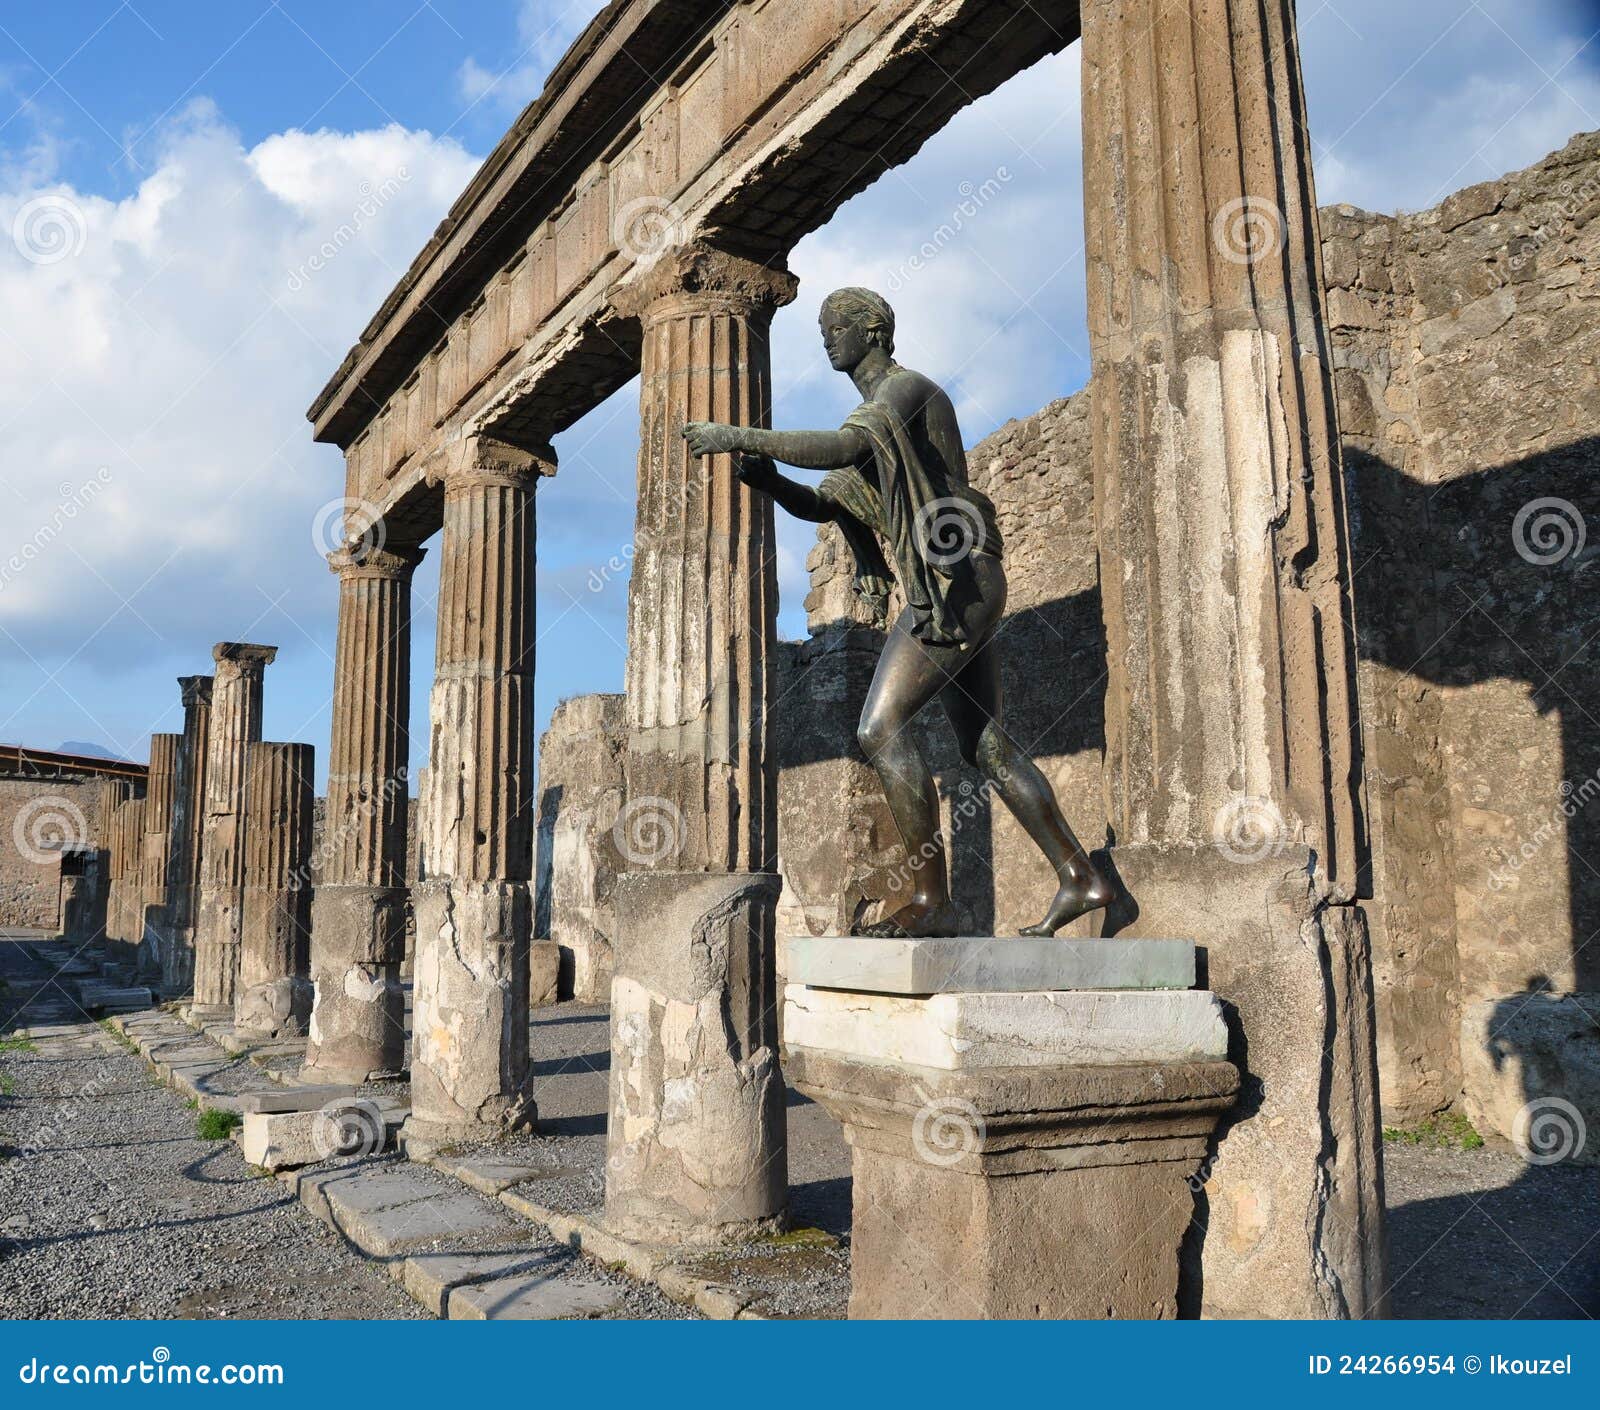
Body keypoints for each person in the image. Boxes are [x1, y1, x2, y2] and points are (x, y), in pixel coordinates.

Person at [683, 286, 1113, 937]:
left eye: (838, 324)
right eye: (823, 328)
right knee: (986, 745)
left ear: (875, 330)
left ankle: (932, 900)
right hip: (958, 581)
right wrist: (769, 481)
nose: (827, 336)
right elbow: (826, 502)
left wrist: (736, 435)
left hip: (955, 578)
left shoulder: (906, 392)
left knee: (879, 729)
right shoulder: (876, 422)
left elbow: (841, 449)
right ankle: (1080, 876)